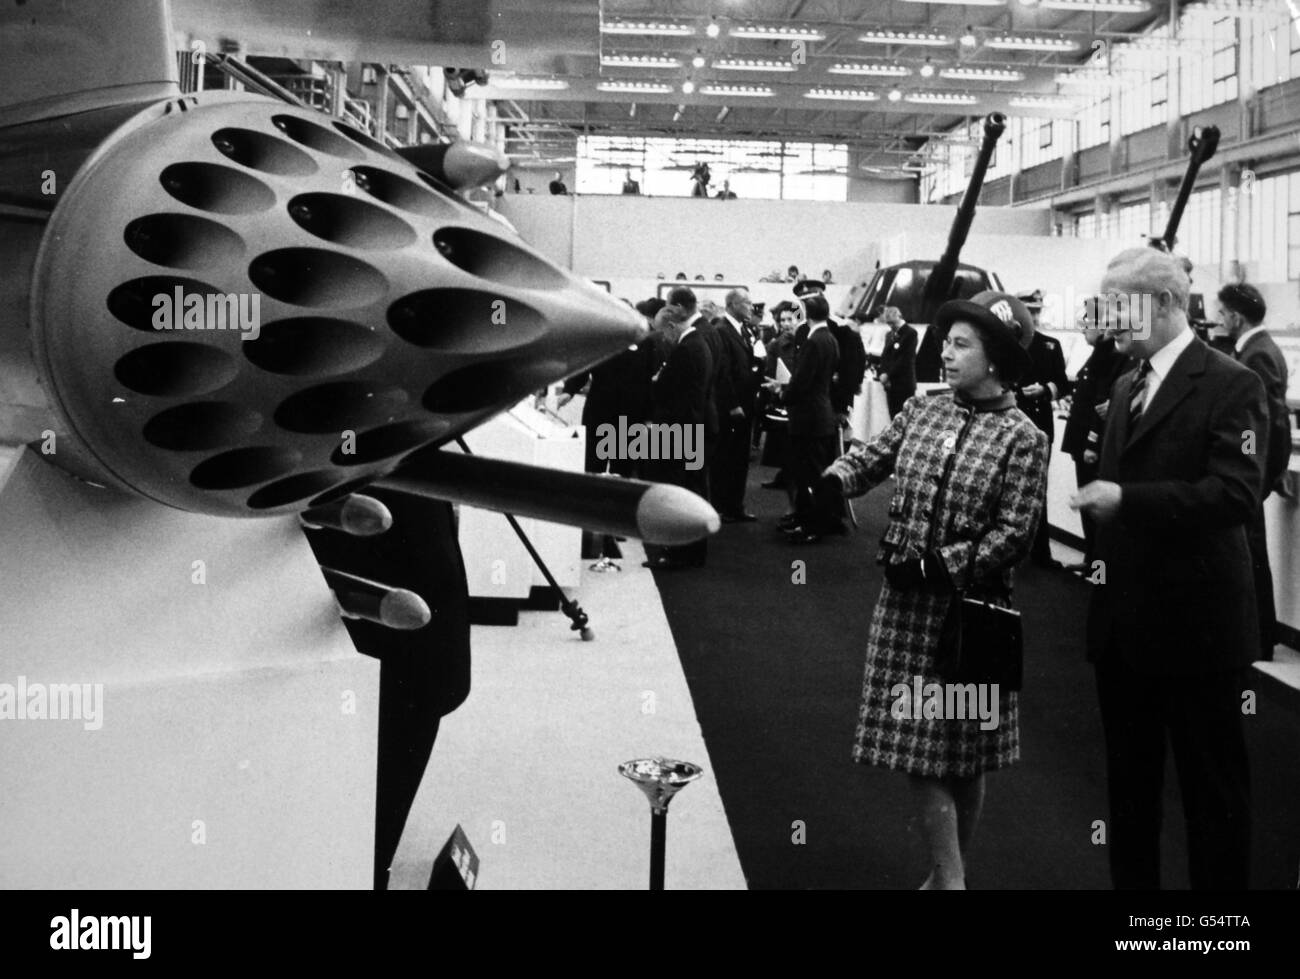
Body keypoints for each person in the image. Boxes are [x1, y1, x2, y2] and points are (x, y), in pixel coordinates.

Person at [819, 290, 1046, 890]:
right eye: (946, 342)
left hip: (974, 613)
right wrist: (835, 479)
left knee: (966, 751)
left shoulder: (1023, 437)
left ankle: (947, 877)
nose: (944, 354)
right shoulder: (924, 411)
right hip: (905, 614)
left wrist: (940, 566)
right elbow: (873, 457)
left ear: (995, 356)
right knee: (919, 745)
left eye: (960, 344)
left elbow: (1016, 533)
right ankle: (950, 879)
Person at [1071, 248, 1268, 890]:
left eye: (1114, 305)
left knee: (1213, 801)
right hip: (1126, 632)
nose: (1104, 318)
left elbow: (1238, 493)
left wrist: (1129, 500)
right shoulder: (1126, 384)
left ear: (1160, 305)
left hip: (1198, 634)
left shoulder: (1233, 382)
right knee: (1130, 800)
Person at [302, 486, 470, 889]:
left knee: (414, 701)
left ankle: (369, 865)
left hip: (411, 539)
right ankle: (364, 867)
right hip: (373, 545)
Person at [1218, 282, 1291, 661]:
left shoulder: (1257, 356)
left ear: (1235, 316)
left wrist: (1257, 475)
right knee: (1251, 554)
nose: (1218, 320)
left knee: (1249, 557)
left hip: (1251, 478)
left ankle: (1258, 638)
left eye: (1221, 314)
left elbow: (1267, 425)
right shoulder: (1260, 351)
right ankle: (1260, 635)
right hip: (1256, 475)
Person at [644, 287, 714, 570]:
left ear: (672, 326)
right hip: (692, 426)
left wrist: (657, 382)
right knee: (692, 489)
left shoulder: (687, 349)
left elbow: (670, 391)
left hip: (680, 430)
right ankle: (691, 552)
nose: (664, 339)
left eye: (664, 333)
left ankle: (679, 553)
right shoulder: (697, 344)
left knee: (680, 493)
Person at [1060, 295, 1130, 567]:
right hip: (1082, 442)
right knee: (1088, 510)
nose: (1083, 328)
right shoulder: (1099, 355)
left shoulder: (1110, 356)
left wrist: (1091, 443)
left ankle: (1098, 570)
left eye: (1088, 322)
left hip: (1091, 445)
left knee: (1095, 515)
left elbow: (1101, 401)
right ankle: (1092, 561)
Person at [767, 293, 843, 543]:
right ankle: (811, 521)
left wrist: (781, 393)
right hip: (818, 415)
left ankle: (813, 526)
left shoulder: (814, 341)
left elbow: (802, 382)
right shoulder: (829, 338)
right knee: (813, 473)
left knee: (809, 475)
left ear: (806, 315)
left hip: (809, 417)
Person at [1013, 289, 1070, 568]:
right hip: (1011, 421)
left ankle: (1040, 552)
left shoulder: (1050, 344)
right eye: (1028, 311)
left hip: (1039, 423)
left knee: (1038, 488)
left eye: (1036, 311)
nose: (1033, 316)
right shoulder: (1008, 345)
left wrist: (1046, 390)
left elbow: (1062, 382)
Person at [710, 288, 762, 522]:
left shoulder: (743, 330)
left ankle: (735, 505)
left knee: (739, 458)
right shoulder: (722, 330)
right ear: (731, 304)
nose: (751, 307)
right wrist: (732, 404)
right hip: (732, 407)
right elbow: (723, 372)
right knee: (726, 457)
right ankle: (722, 505)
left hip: (746, 402)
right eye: (746, 303)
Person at [877, 306, 918, 418]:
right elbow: (885, 356)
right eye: (888, 324)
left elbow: (905, 359)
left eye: (893, 323)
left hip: (903, 384)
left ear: (899, 317)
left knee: (904, 418)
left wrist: (888, 375)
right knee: (893, 417)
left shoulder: (910, 333)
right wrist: (882, 372)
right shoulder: (889, 335)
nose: (891, 326)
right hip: (890, 385)